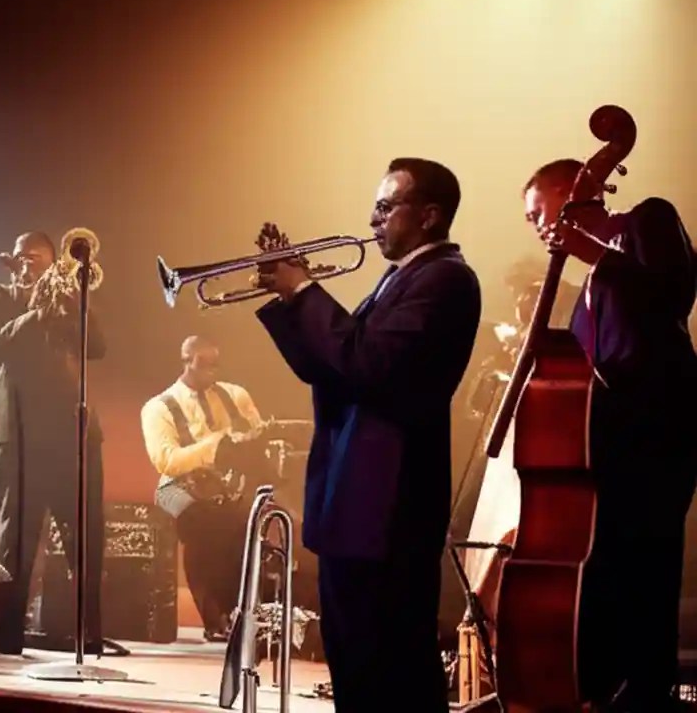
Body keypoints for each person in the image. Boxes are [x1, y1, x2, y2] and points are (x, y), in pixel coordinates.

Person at [254, 158, 481, 711]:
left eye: (385, 207)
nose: (372, 219)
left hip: (390, 503)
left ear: (428, 215)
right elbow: (327, 367)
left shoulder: (446, 278)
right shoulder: (400, 278)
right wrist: (291, 299)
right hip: (357, 498)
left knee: (390, 665)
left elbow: (370, 361)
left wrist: (306, 289)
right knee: (354, 660)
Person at [523, 158, 697, 711]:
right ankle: (603, 685)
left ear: (568, 190)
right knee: (612, 563)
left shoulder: (646, 219)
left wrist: (593, 251)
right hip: (607, 443)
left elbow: (673, 295)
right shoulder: (589, 283)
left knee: (651, 558)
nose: (536, 226)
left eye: (536, 212)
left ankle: (648, 692)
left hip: (657, 430)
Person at [0, 231, 106, 654]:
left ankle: (86, 633)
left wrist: (74, 301)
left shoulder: (67, 300)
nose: (27, 262)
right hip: (17, 432)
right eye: (21, 256)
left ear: (54, 263)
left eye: (36, 257)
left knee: (85, 535)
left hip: (72, 432)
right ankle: (6, 633)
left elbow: (98, 347)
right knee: (17, 536)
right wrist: (35, 310)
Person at [140, 335, 273, 641]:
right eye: (203, 364)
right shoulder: (158, 407)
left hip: (227, 485)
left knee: (246, 523)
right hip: (177, 485)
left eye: (215, 364)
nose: (211, 371)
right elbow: (166, 461)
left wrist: (250, 443)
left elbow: (257, 437)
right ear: (186, 360)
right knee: (200, 524)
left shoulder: (235, 395)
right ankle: (215, 618)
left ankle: (246, 613)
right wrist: (213, 447)